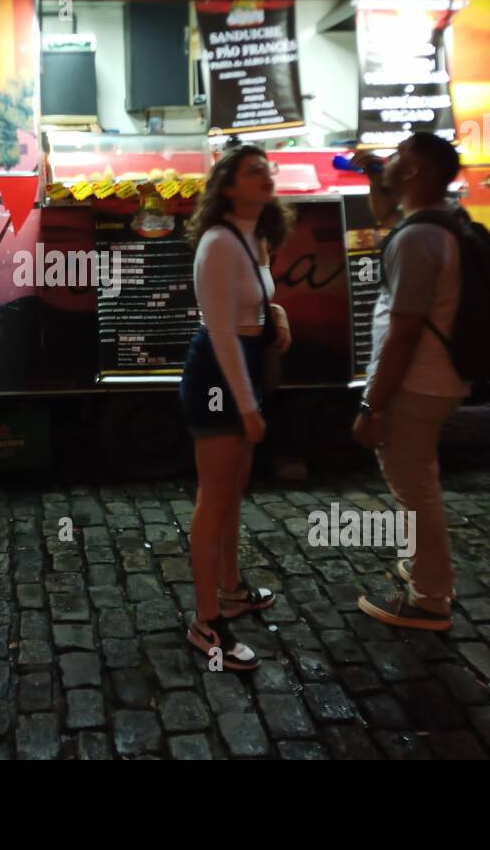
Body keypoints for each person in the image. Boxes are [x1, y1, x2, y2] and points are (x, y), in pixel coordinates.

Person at [179, 144, 293, 671]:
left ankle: (229, 590)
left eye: (267, 168)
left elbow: (251, 301)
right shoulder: (220, 243)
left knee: (233, 492)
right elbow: (221, 329)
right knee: (215, 495)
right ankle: (206, 621)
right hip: (219, 372)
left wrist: (276, 311)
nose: (265, 175)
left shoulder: (254, 235)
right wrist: (247, 407)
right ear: (228, 186)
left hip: (243, 360)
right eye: (253, 171)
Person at [350, 132, 468, 632]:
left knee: (414, 490)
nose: (392, 160)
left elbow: (403, 332)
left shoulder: (419, 238)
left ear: (416, 170)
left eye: (400, 155)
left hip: (416, 382)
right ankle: (425, 569)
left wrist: (373, 405)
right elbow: (383, 217)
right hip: (437, 378)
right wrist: (379, 174)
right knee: (420, 481)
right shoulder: (442, 222)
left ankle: (429, 600)